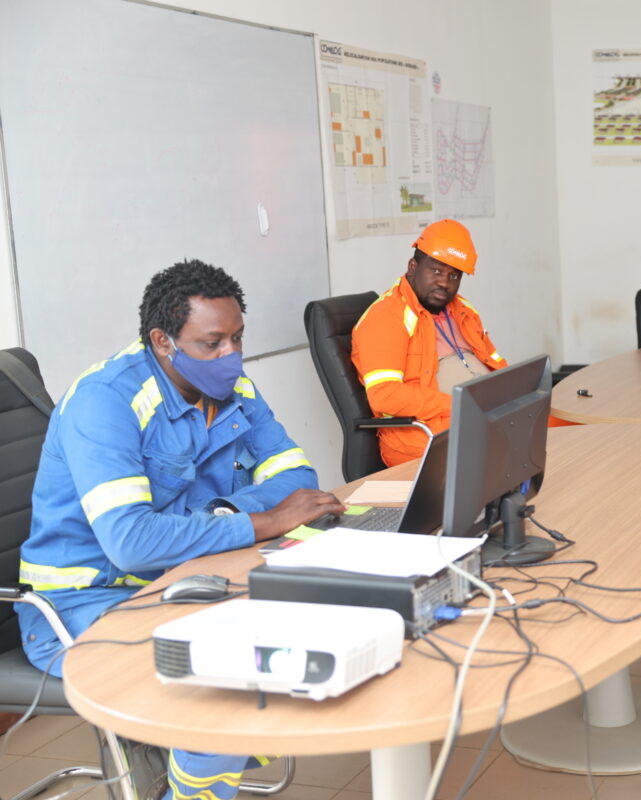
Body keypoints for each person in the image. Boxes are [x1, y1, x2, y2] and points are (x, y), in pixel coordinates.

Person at [17, 260, 345, 799]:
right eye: (212, 343)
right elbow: (131, 542)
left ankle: (195, 754)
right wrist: (261, 520)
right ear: (164, 342)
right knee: (224, 684)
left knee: (311, 630)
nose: (231, 356)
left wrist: (217, 520)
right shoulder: (105, 402)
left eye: (238, 338)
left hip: (185, 580)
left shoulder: (233, 384)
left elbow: (298, 481)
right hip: (80, 605)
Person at [352, 219, 507, 465]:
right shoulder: (386, 317)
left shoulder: (462, 310)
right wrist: (460, 405)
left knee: (563, 425)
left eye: (454, 276)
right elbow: (385, 396)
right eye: (436, 271)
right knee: (530, 446)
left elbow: (495, 362)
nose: (445, 283)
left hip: (481, 411)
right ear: (413, 267)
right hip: (428, 429)